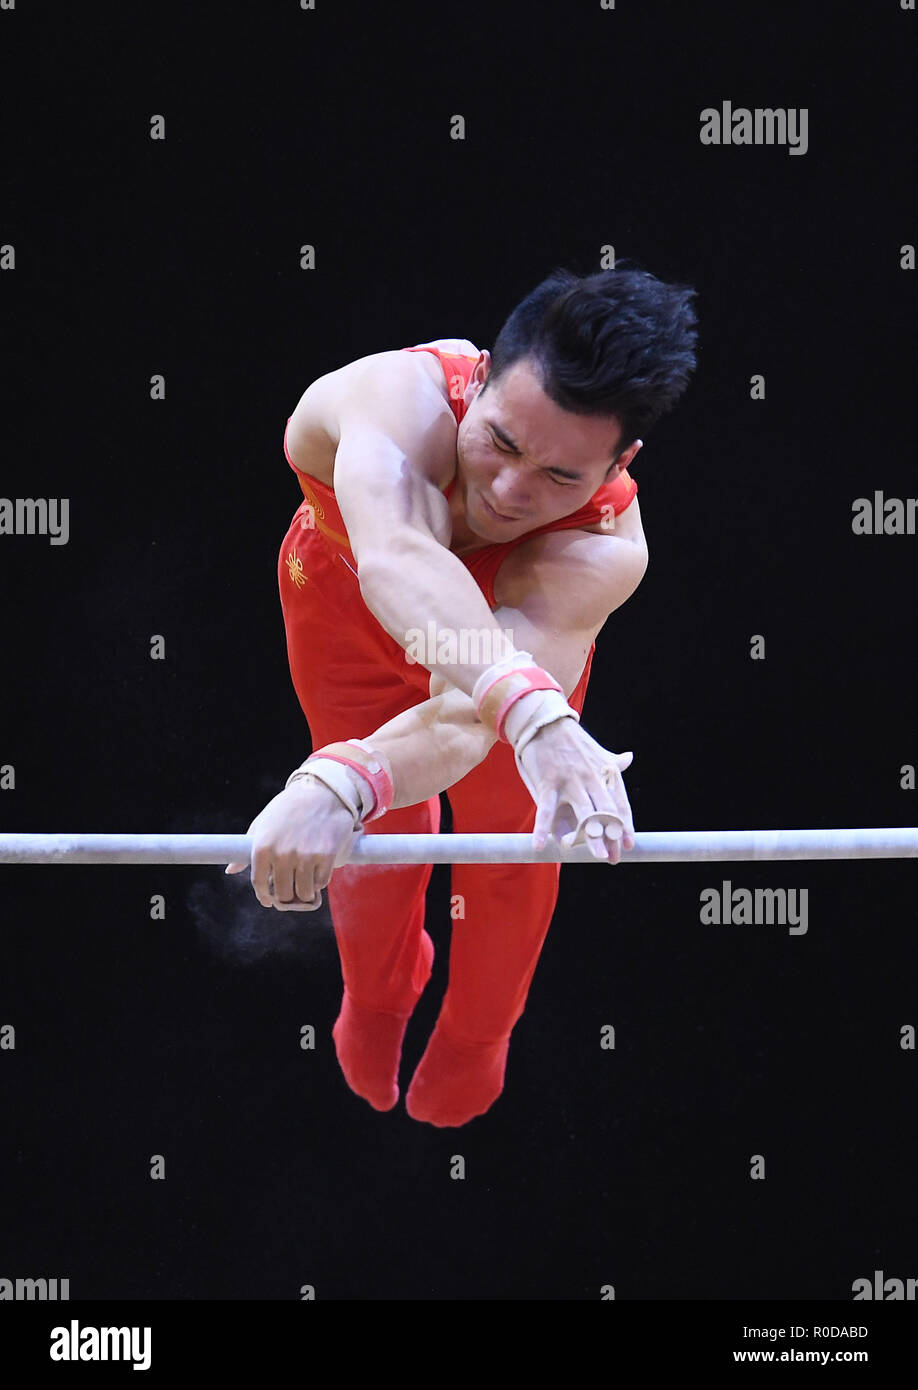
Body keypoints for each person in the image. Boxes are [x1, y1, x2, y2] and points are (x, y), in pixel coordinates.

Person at [227, 262, 698, 1126]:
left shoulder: (601, 547)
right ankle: (378, 994)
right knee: (371, 831)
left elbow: (460, 722)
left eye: (563, 476)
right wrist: (528, 710)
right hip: (348, 606)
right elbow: (401, 561)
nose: (513, 492)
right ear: (477, 378)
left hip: (502, 663)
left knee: (512, 847)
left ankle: (481, 1032)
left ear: (621, 460)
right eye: (504, 443)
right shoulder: (387, 397)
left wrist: (362, 768)